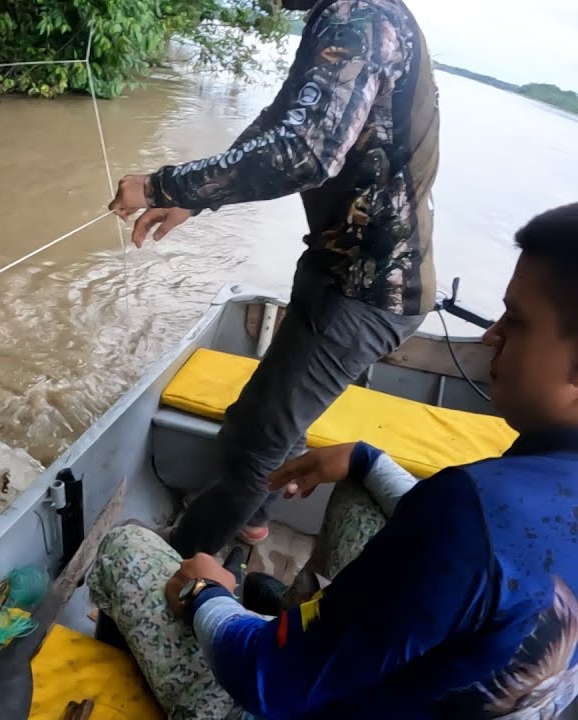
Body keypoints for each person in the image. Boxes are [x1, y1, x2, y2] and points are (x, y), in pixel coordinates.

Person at [86, 202, 578, 719]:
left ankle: (147, 678)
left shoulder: (469, 511)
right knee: (362, 493)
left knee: (126, 550)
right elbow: (490, 560)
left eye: (517, 321)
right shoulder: (508, 506)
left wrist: (209, 594)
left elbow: (266, 679)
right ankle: (307, 623)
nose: (490, 334)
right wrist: (367, 460)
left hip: (274, 693)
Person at [107, 0, 441, 555]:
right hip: (339, 274)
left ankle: (173, 571)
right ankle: (252, 525)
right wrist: (197, 202)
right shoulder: (348, 15)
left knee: (254, 443)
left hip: (370, 290)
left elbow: (304, 151)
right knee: (259, 423)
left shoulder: (359, 17)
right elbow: (284, 122)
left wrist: (166, 186)